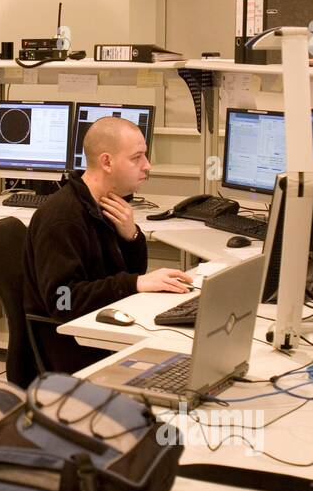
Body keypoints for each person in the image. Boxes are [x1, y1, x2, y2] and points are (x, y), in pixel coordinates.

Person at [23, 115, 193, 375]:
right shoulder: (63, 218)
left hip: (99, 327)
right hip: (72, 348)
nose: (147, 166)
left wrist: (130, 237)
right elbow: (63, 301)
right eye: (137, 158)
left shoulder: (105, 205)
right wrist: (134, 283)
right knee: (178, 361)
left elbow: (124, 273)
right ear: (107, 162)